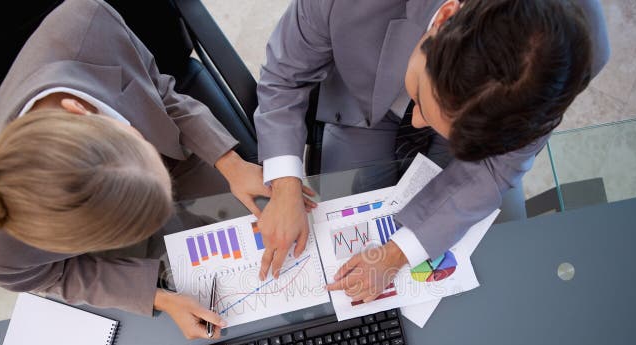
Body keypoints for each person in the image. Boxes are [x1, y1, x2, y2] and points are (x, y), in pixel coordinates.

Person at [0, 0, 270, 339]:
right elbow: (57, 276)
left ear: (79, 110)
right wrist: (159, 298)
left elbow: (158, 91)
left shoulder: (90, 23)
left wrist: (230, 163)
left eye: (140, 147)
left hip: (178, 153)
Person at [254, 0, 610, 303]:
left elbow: (495, 170)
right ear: (444, 18)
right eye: (424, 102)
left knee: (495, 266)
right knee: (338, 228)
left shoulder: (573, 51)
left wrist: (398, 253)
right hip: (361, 107)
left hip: (474, 149)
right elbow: (284, 77)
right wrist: (285, 185)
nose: (419, 124)